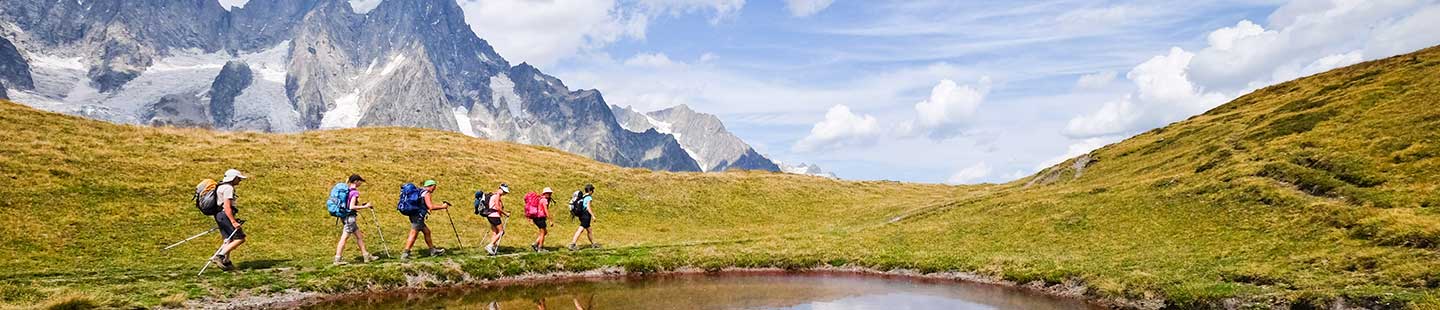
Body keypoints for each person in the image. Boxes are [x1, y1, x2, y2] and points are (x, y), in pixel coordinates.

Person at [333, 174, 377, 265]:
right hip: (350, 218)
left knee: (359, 236)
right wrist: (365, 206)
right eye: (360, 181)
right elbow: (352, 206)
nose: (361, 183)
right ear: (356, 181)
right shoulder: (354, 193)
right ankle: (337, 259)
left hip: (344, 216)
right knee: (344, 238)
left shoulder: (347, 190)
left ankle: (366, 255)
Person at [209, 169, 247, 271]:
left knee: (228, 239)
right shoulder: (228, 188)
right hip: (225, 214)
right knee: (240, 238)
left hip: (219, 215)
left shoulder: (220, 186)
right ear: (233, 178)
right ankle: (220, 256)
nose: (240, 180)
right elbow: (227, 206)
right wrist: (233, 221)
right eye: (238, 178)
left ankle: (226, 262)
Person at [402, 179, 450, 259]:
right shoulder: (426, 193)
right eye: (434, 187)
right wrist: (442, 207)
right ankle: (406, 253)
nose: (434, 189)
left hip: (414, 215)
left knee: (427, 232)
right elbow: (430, 206)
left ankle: (432, 250)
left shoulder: (420, 191)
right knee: (413, 234)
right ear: (430, 186)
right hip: (418, 216)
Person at [483, 183, 511, 255]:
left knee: (495, 232)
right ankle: (490, 245)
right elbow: (498, 207)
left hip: (490, 215)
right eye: (504, 191)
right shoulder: (497, 196)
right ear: (500, 189)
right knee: (501, 232)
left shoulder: (493, 195)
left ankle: (492, 248)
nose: (504, 193)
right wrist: (506, 214)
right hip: (494, 216)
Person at [568, 184, 597, 251]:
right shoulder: (589, 198)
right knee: (580, 230)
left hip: (581, 215)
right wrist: (593, 215)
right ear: (590, 191)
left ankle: (593, 244)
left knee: (589, 230)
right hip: (586, 215)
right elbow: (588, 207)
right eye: (592, 190)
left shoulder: (583, 196)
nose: (593, 192)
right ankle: (573, 244)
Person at [530, 187, 554, 252]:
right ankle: (540, 248)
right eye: (549, 193)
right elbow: (546, 211)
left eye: (550, 193)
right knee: (543, 233)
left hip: (536, 218)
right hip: (540, 218)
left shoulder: (540, 198)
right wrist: (550, 220)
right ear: (545, 193)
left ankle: (535, 244)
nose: (550, 195)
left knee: (544, 232)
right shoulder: (544, 200)